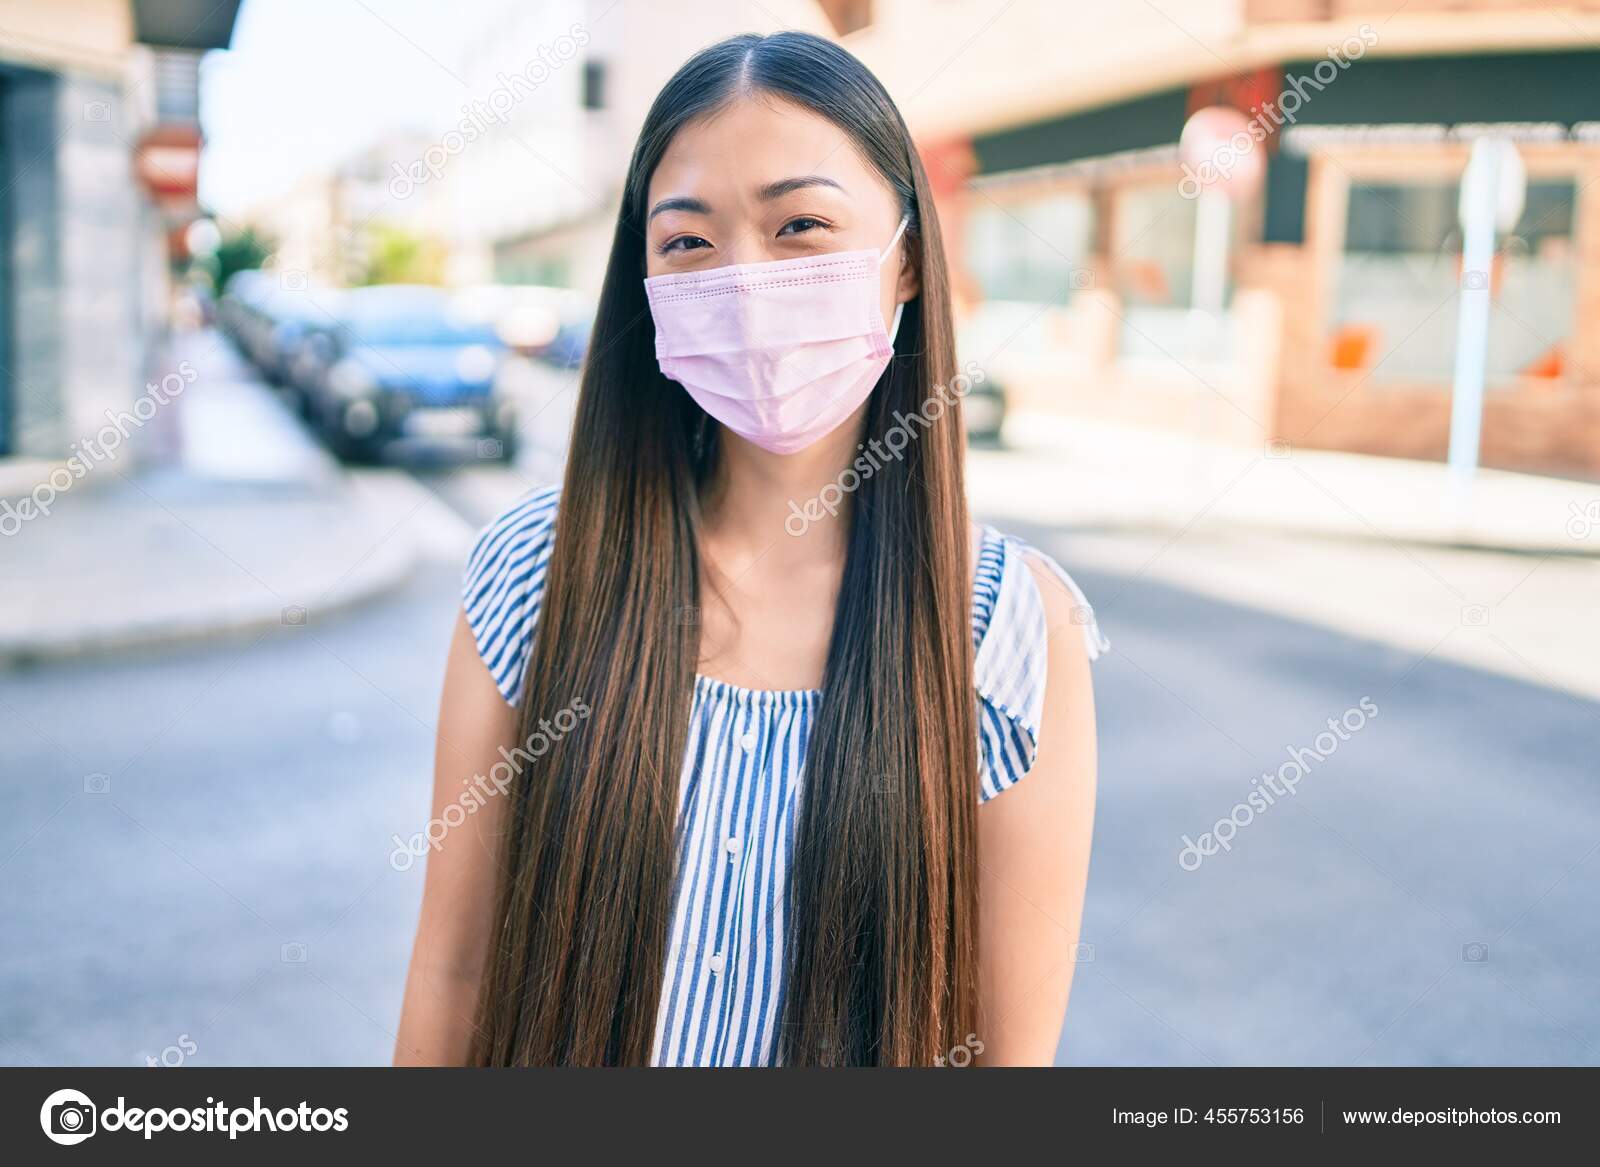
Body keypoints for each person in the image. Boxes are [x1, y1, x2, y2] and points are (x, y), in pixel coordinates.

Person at [395, 30, 1105, 1067]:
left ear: (904, 260)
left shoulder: (1007, 627)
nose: (742, 280)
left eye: (799, 225)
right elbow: (455, 970)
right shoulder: (532, 575)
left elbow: (1006, 1055)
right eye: (688, 242)